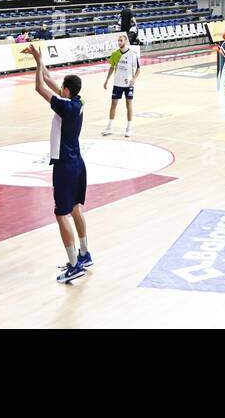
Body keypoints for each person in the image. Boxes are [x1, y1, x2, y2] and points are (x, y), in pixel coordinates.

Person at [23, 42, 92, 283]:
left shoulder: (65, 107)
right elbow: (51, 80)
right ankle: (84, 254)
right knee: (75, 209)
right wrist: (38, 61)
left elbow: (39, 87)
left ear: (67, 91)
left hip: (64, 165)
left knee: (61, 214)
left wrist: (36, 68)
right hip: (78, 163)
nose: (59, 87)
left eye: (62, 87)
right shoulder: (79, 102)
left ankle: (74, 266)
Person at [101, 33, 140, 138]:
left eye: (121, 40)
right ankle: (109, 127)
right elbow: (112, 67)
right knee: (113, 104)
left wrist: (134, 80)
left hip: (128, 84)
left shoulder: (132, 54)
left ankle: (129, 128)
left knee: (129, 105)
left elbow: (138, 69)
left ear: (126, 41)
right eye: (118, 41)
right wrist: (106, 80)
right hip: (117, 83)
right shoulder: (114, 54)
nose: (119, 42)